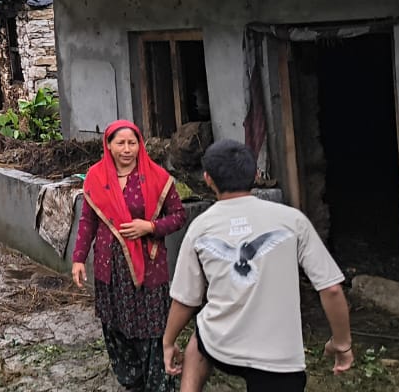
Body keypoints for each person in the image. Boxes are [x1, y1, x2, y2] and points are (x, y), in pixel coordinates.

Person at [161, 139, 354, 392]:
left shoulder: (200, 227)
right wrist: (342, 345)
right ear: (254, 174)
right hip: (277, 356)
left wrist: (168, 342)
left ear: (208, 179)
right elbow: (331, 289)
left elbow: (186, 299)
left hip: (220, 344)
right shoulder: (291, 220)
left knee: (201, 338)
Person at [72, 119, 187, 392]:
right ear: (108, 145)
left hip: (148, 268)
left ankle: (158, 383)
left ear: (140, 145)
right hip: (109, 269)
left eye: (132, 143)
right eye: (120, 143)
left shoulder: (157, 177)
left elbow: (179, 216)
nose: (127, 149)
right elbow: (87, 222)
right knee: (116, 326)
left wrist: (150, 227)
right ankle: (131, 381)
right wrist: (78, 258)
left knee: (153, 328)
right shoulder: (96, 178)